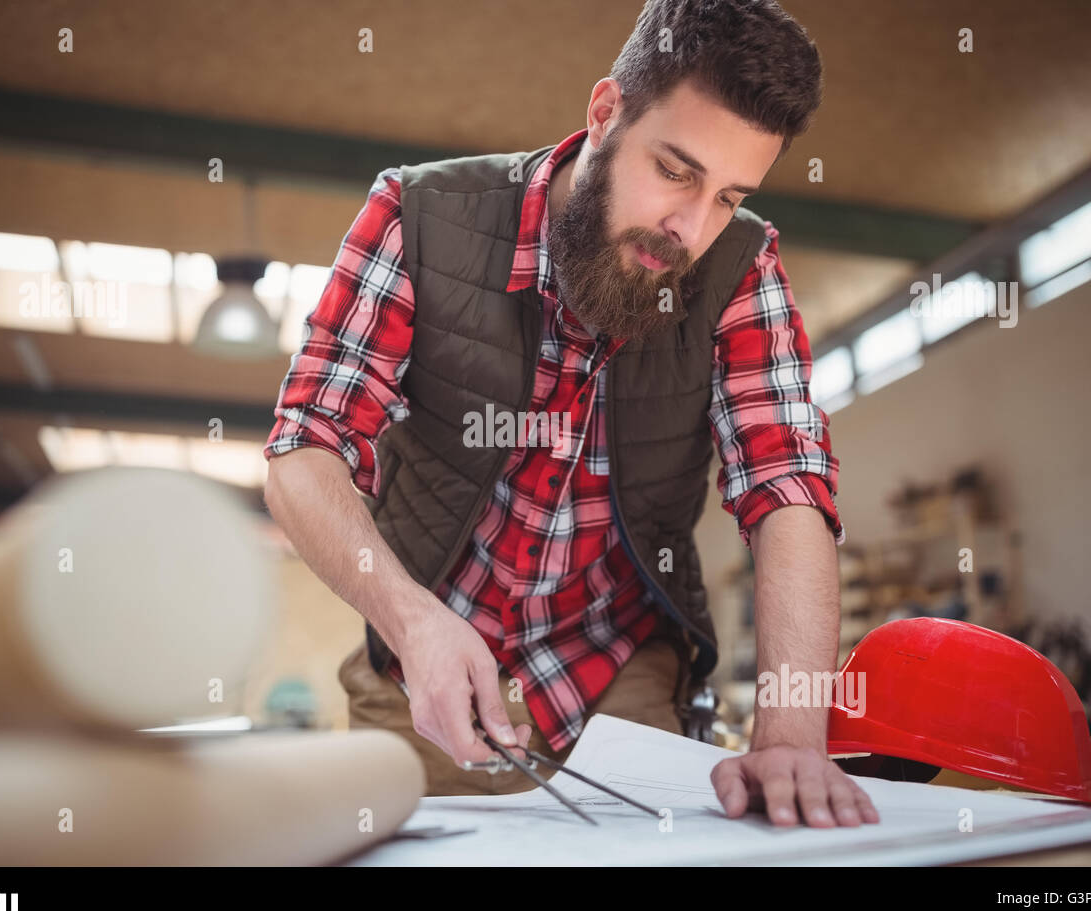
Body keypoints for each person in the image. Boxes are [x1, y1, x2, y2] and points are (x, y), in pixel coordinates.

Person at [264, 0, 879, 828]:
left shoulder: (740, 268)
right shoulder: (418, 217)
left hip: (623, 692)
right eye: (675, 171)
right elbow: (305, 447)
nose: (689, 229)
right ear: (605, 113)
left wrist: (793, 734)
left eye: (730, 195)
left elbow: (787, 488)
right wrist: (413, 623)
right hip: (418, 688)